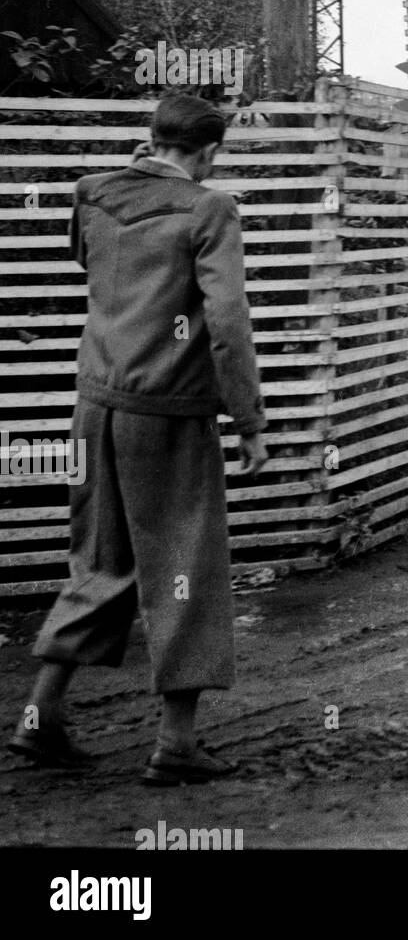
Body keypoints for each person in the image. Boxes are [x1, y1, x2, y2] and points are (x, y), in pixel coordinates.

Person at [7, 93, 267, 785]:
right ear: (209, 152)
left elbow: (84, 263)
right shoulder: (210, 209)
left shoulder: (92, 194)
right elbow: (228, 322)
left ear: (150, 138)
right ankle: (177, 743)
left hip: (95, 405)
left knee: (100, 562)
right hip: (169, 414)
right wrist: (248, 421)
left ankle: (40, 718)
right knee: (186, 564)